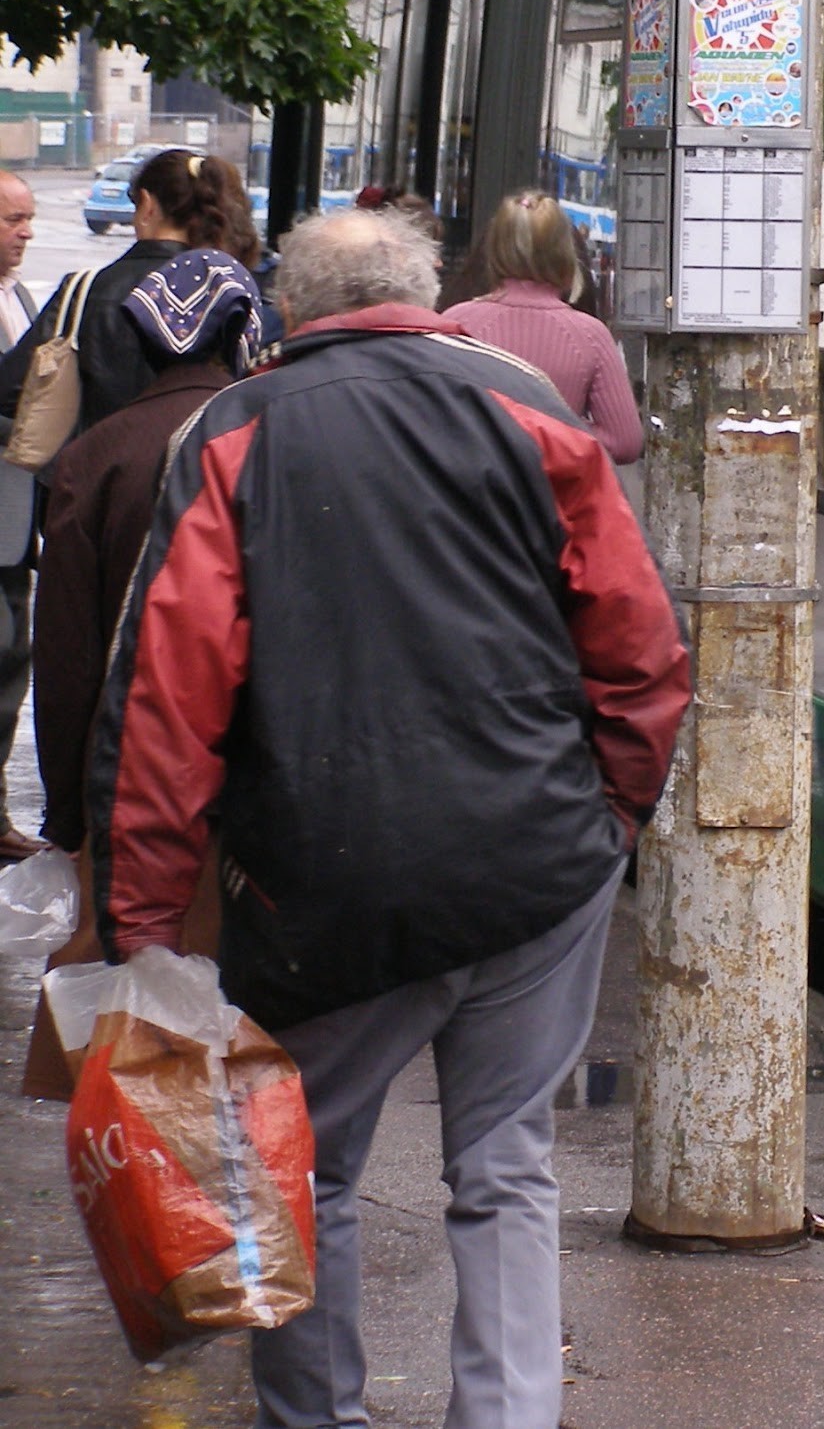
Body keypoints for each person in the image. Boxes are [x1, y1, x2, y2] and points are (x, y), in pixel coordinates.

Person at [87, 208, 689, 1429]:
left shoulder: (237, 432)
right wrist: (609, 821)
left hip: (326, 877)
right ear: (426, 291)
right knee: (507, 1165)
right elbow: (639, 650)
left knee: (305, 1166)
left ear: (287, 309)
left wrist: (141, 920)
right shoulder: (528, 411)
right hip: (537, 858)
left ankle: (318, 1418)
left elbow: (170, 694)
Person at [32, 248, 266, 959]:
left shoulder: (97, 453)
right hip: (256, 788)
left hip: (131, 785)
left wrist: (69, 815)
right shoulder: (272, 435)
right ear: (241, 333)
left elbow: (67, 655)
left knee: (137, 1028)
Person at [0, 148, 260, 442]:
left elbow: (10, 390)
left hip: (96, 472)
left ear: (148, 205)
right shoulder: (230, 291)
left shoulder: (85, 291)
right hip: (194, 472)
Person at [442, 190, 642, 463]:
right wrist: (554, 430)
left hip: (476, 495)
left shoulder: (458, 321)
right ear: (567, 251)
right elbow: (625, 443)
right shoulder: (590, 334)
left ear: (494, 248)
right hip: (555, 497)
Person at [0, 169, 38, 862]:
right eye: (13, 220)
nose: (27, 234)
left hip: (17, 519)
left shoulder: (22, 296)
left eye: (30, 220)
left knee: (10, 664)